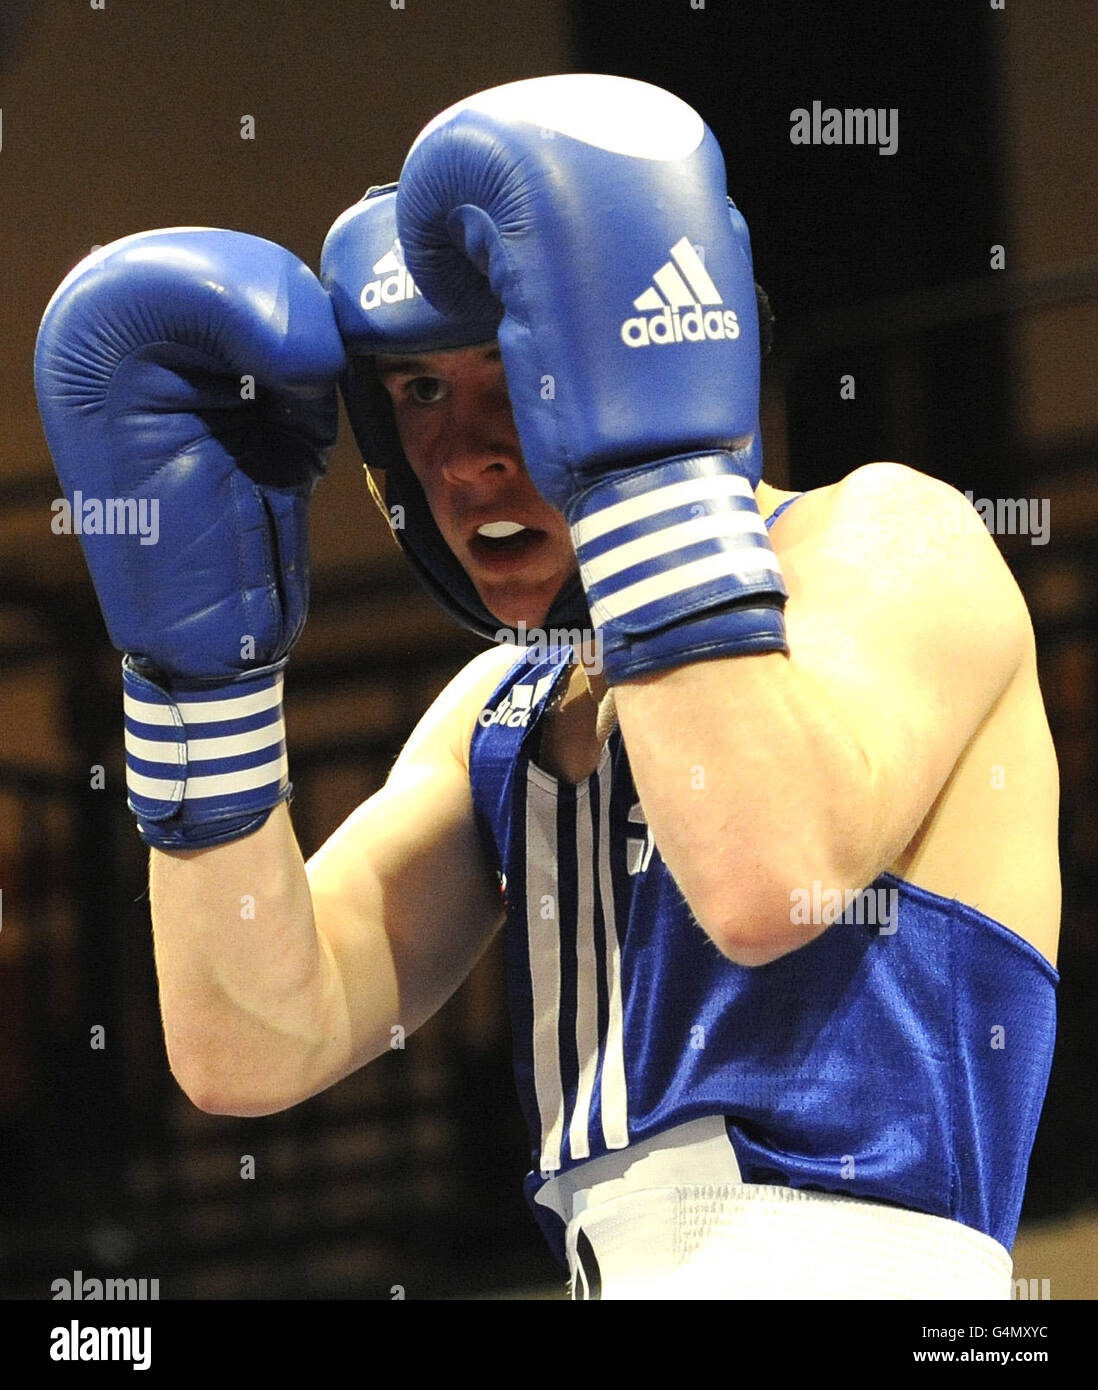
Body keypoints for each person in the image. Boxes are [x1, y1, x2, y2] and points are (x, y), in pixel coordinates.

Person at [35, 75, 1059, 1300]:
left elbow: (760, 877)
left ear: (644, 341)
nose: (467, 453)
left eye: (510, 370)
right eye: (417, 391)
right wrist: (197, 683)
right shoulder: (499, 714)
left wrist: (642, 479)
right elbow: (249, 1043)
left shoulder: (889, 542)